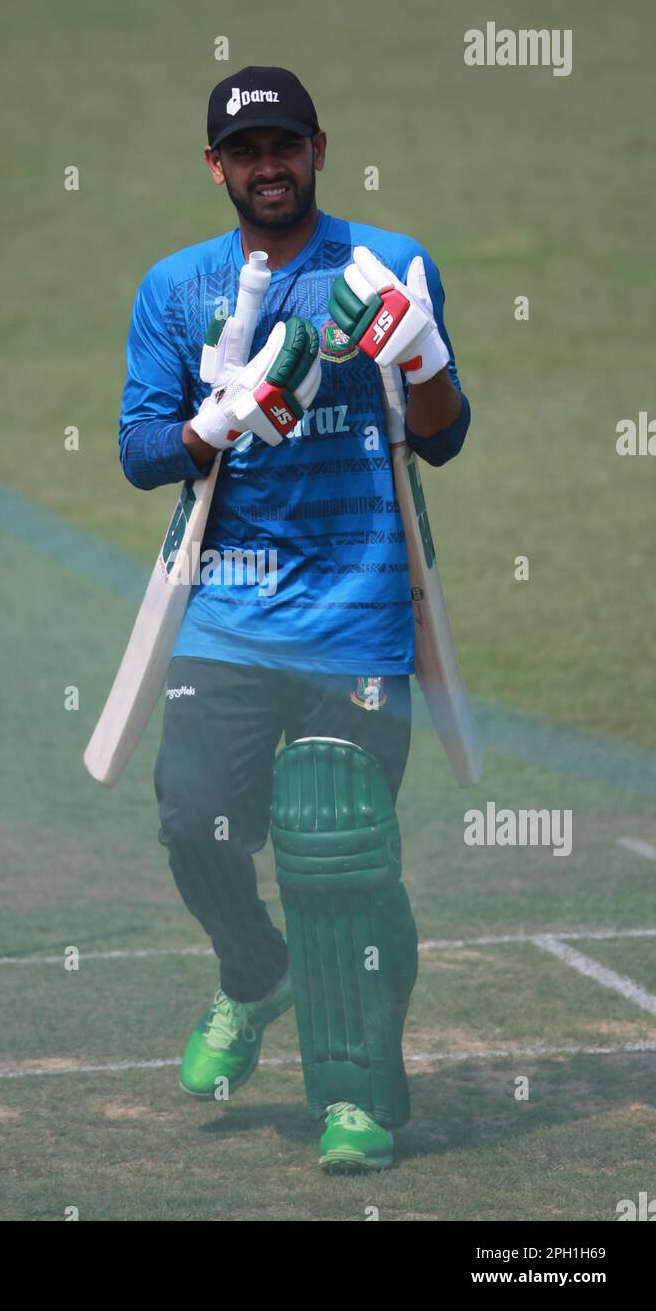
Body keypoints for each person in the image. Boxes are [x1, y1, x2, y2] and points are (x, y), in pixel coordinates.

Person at [118, 65, 471, 1172]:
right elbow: (137, 451)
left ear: (318, 147)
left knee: (336, 851)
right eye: (246, 150)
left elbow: (445, 433)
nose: (268, 166)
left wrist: (418, 355)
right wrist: (212, 420)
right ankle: (251, 971)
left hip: (359, 609)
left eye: (285, 145)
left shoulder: (385, 265)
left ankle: (354, 1095)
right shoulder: (176, 289)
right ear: (215, 167)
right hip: (224, 611)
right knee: (191, 820)